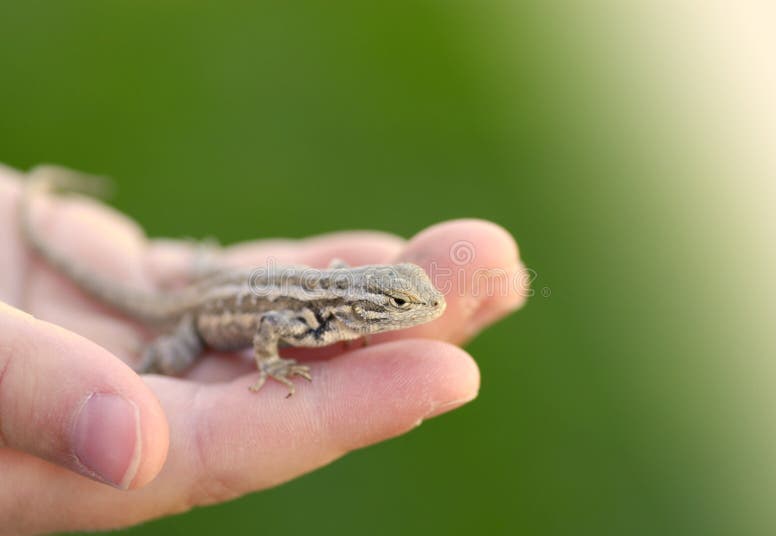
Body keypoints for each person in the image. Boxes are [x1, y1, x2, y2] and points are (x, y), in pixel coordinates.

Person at [0, 164, 526, 534]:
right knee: (173, 360)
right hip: (200, 317)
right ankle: (149, 356)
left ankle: (178, 267)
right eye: (400, 302)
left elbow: (328, 284)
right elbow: (271, 322)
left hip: (222, 286)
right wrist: (270, 364)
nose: (423, 307)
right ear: (365, 304)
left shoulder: (337, 301)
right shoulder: (313, 319)